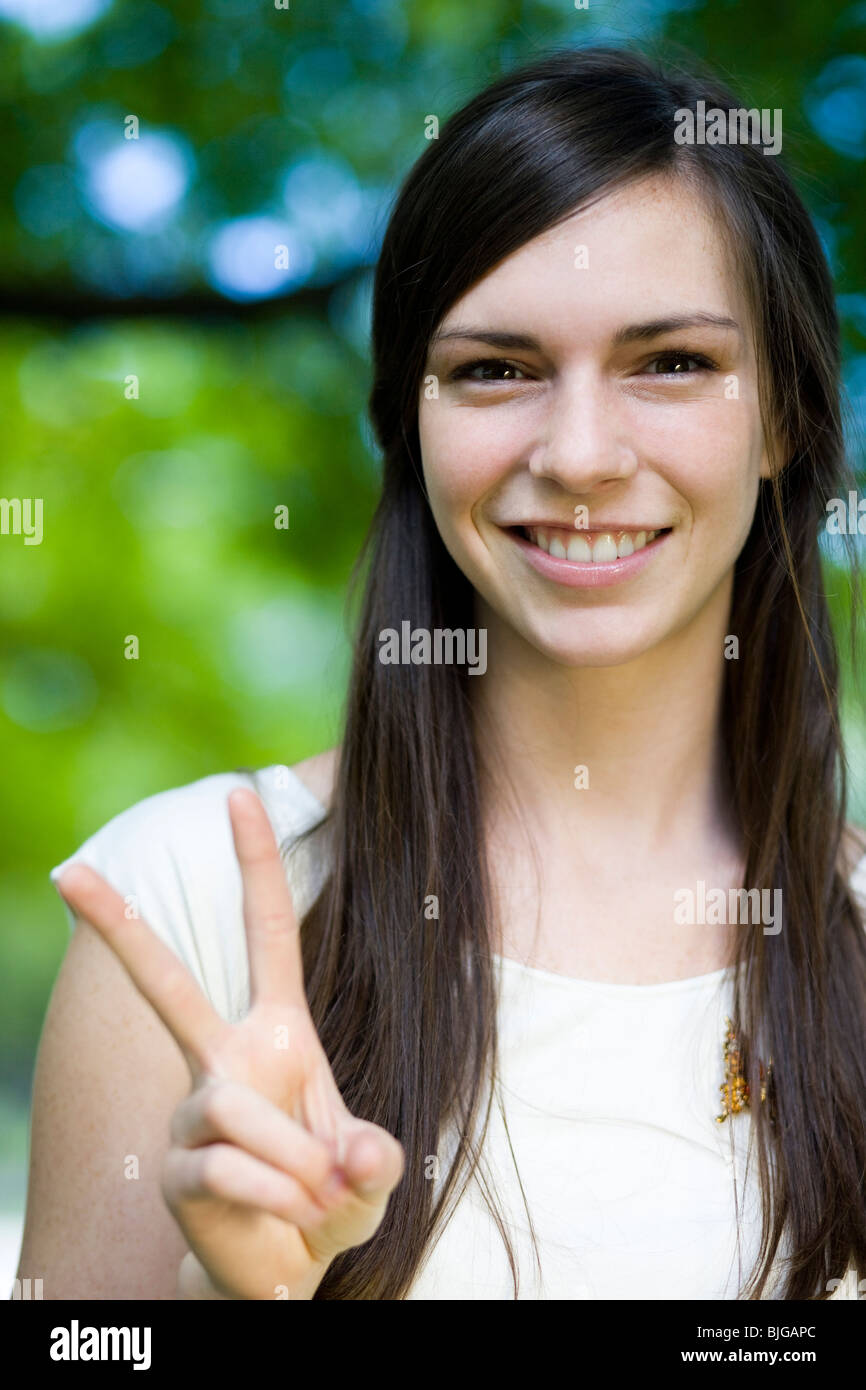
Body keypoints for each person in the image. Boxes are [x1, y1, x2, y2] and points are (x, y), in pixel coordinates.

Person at [16, 45, 866, 1301]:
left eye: (669, 362)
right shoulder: (180, 907)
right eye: (495, 370)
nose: (578, 452)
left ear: (783, 418)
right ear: (412, 426)